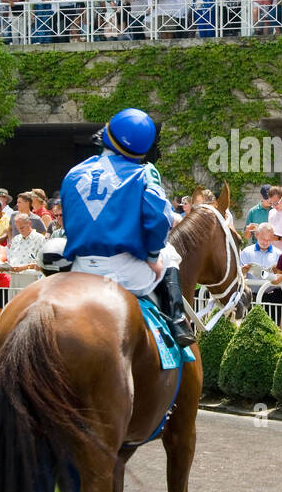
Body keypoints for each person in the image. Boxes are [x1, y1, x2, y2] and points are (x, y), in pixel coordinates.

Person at [60, 107, 192, 348]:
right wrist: (152, 256)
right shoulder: (142, 173)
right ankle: (178, 321)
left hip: (79, 268)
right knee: (170, 255)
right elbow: (159, 218)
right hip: (123, 272)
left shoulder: (73, 173)